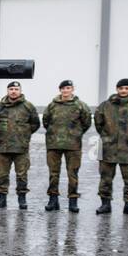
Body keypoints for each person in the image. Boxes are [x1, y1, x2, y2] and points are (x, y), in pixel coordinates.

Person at [93, 78, 128, 216]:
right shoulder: (105, 106)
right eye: (121, 88)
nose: (123, 91)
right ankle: (105, 204)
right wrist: (106, 136)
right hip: (107, 147)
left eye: (126, 88)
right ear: (117, 89)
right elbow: (98, 123)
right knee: (105, 177)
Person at [0, 80, 40, 209]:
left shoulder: (28, 106)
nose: (13, 91)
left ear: (20, 91)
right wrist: (2, 135)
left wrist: (24, 134)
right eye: (11, 89)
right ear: (8, 91)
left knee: (22, 175)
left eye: (16, 89)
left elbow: (35, 124)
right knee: (2, 175)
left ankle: (22, 199)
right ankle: (2, 198)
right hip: (3, 147)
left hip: (21, 148)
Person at [42, 79, 92, 212]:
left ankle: (73, 201)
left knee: (73, 173)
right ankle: (53, 200)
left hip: (73, 145)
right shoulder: (52, 105)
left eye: (68, 88)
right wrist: (54, 133)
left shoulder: (80, 105)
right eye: (63, 88)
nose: (66, 90)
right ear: (60, 90)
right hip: (54, 144)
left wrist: (77, 133)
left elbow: (86, 122)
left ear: (72, 89)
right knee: (53, 173)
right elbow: (46, 121)